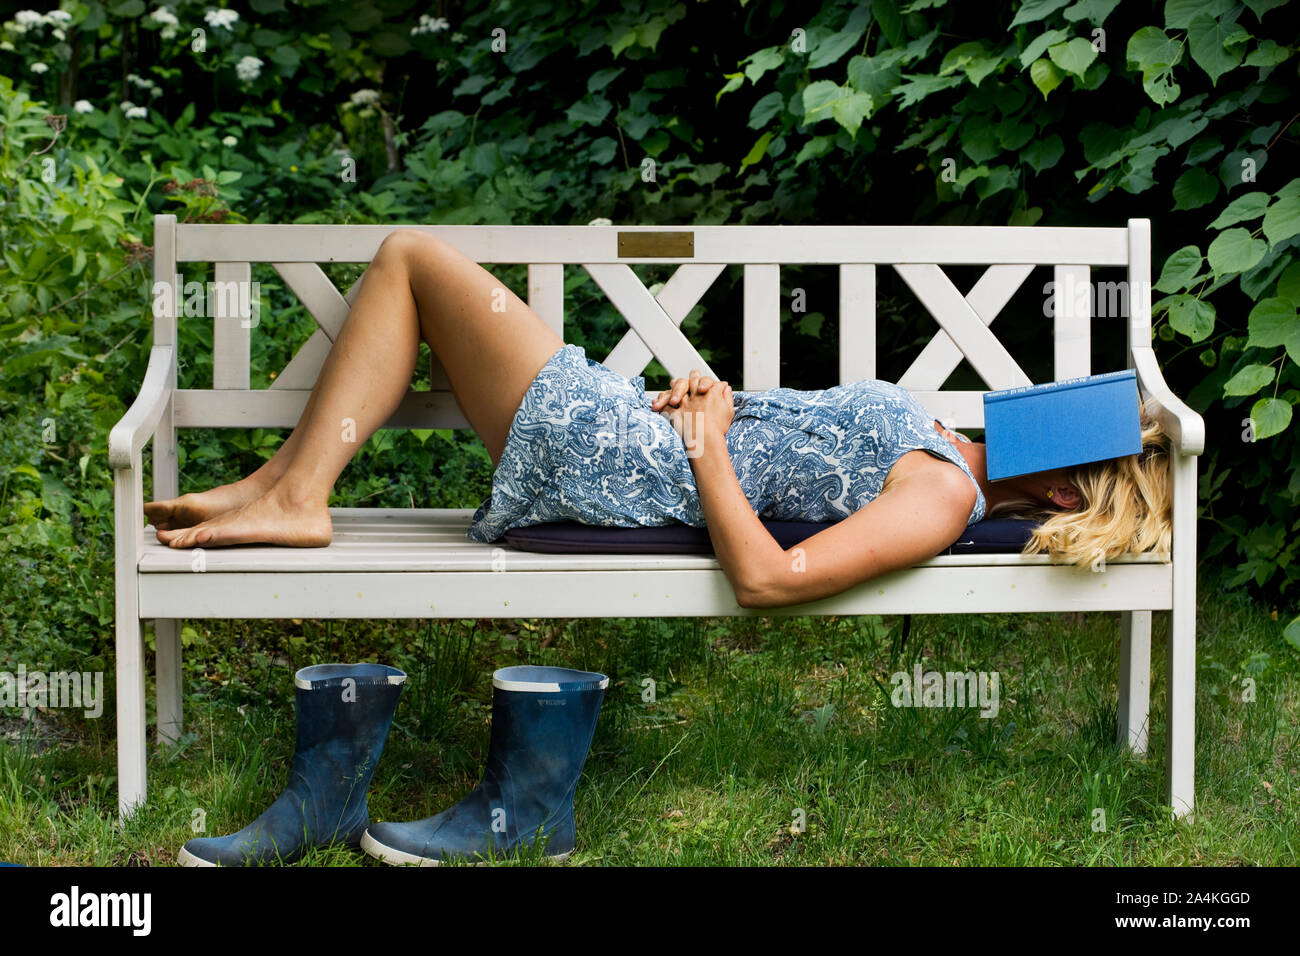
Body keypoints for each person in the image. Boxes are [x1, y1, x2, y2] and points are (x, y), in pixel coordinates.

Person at [144, 230, 1173, 609]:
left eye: (1083, 415)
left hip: (623, 463)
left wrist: (710, 438)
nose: (1058, 395)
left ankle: (296, 494)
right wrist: (709, 401)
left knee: (413, 258)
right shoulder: (948, 441)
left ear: (1072, 482)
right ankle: (280, 488)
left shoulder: (944, 493)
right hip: (641, 424)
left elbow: (773, 578)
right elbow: (794, 441)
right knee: (411, 258)